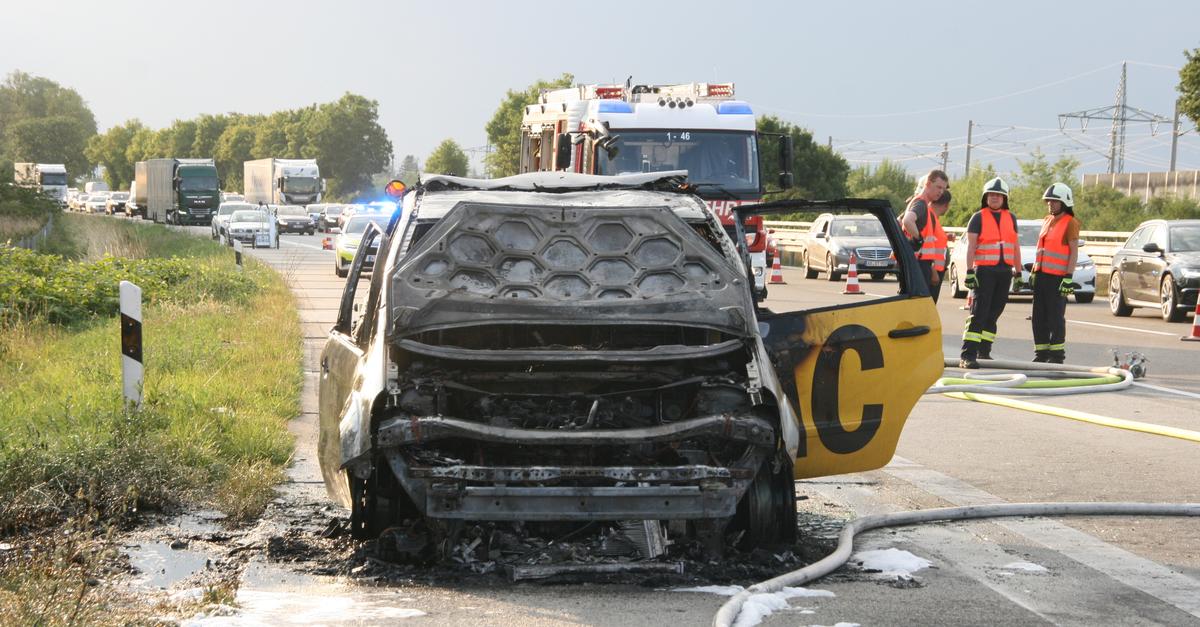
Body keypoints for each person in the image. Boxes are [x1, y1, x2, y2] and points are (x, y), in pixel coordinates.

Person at [959, 177, 1022, 369]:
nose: (994, 198)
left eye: (998, 195)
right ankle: (967, 355)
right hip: (984, 271)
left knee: (994, 313)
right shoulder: (978, 217)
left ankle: (984, 351)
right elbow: (971, 247)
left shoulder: (1011, 218)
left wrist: (1018, 273)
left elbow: (1015, 247)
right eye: (991, 195)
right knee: (979, 313)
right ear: (985, 197)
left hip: (1004, 272)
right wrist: (970, 271)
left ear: (1004, 198)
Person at [1030, 183, 1080, 363]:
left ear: (1064, 202)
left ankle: (1057, 355)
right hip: (1042, 276)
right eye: (1048, 201)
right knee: (1038, 317)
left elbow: (1074, 251)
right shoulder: (1046, 220)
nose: (1050, 203)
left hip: (1058, 278)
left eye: (1054, 201)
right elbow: (1041, 248)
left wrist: (1068, 277)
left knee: (1055, 318)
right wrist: (1035, 270)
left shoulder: (1070, 222)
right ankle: (1041, 353)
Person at [901, 169, 950, 303]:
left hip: (919, 263)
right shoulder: (921, 203)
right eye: (938, 187)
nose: (941, 192)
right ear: (928, 183)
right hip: (920, 265)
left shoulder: (922, 204)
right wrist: (918, 238)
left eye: (943, 189)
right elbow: (907, 220)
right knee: (920, 307)